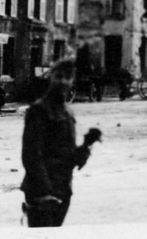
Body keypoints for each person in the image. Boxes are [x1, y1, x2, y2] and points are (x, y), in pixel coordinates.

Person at [21, 59, 101, 228]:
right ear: (51, 77)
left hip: (63, 189)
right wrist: (44, 192)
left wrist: (87, 144)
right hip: (41, 192)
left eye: (68, 77)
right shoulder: (39, 110)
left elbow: (71, 159)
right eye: (59, 76)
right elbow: (31, 155)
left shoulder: (68, 112)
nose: (63, 81)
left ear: (72, 81)